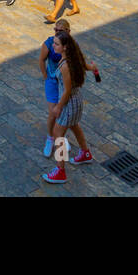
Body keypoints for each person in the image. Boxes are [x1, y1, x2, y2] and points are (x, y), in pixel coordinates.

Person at [43, 30, 94, 183]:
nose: (53, 46)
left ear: (65, 47)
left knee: (58, 134)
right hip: (75, 100)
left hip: (68, 102)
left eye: (56, 44)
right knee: (74, 126)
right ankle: (85, 153)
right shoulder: (72, 59)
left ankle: (60, 171)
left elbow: (66, 90)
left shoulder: (65, 65)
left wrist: (58, 106)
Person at [38, 18, 72, 156]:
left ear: (68, 32)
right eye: (55, 30)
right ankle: (52, 139)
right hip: (54, 81)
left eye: (60, 31)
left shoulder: (70, 46)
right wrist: (46, 76)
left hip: (64, 84)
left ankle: (61, 164)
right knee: (55, 113)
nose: (57, 33)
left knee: (65, 117)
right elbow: (41, 59)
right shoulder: (50, 43)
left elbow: (77, 61)